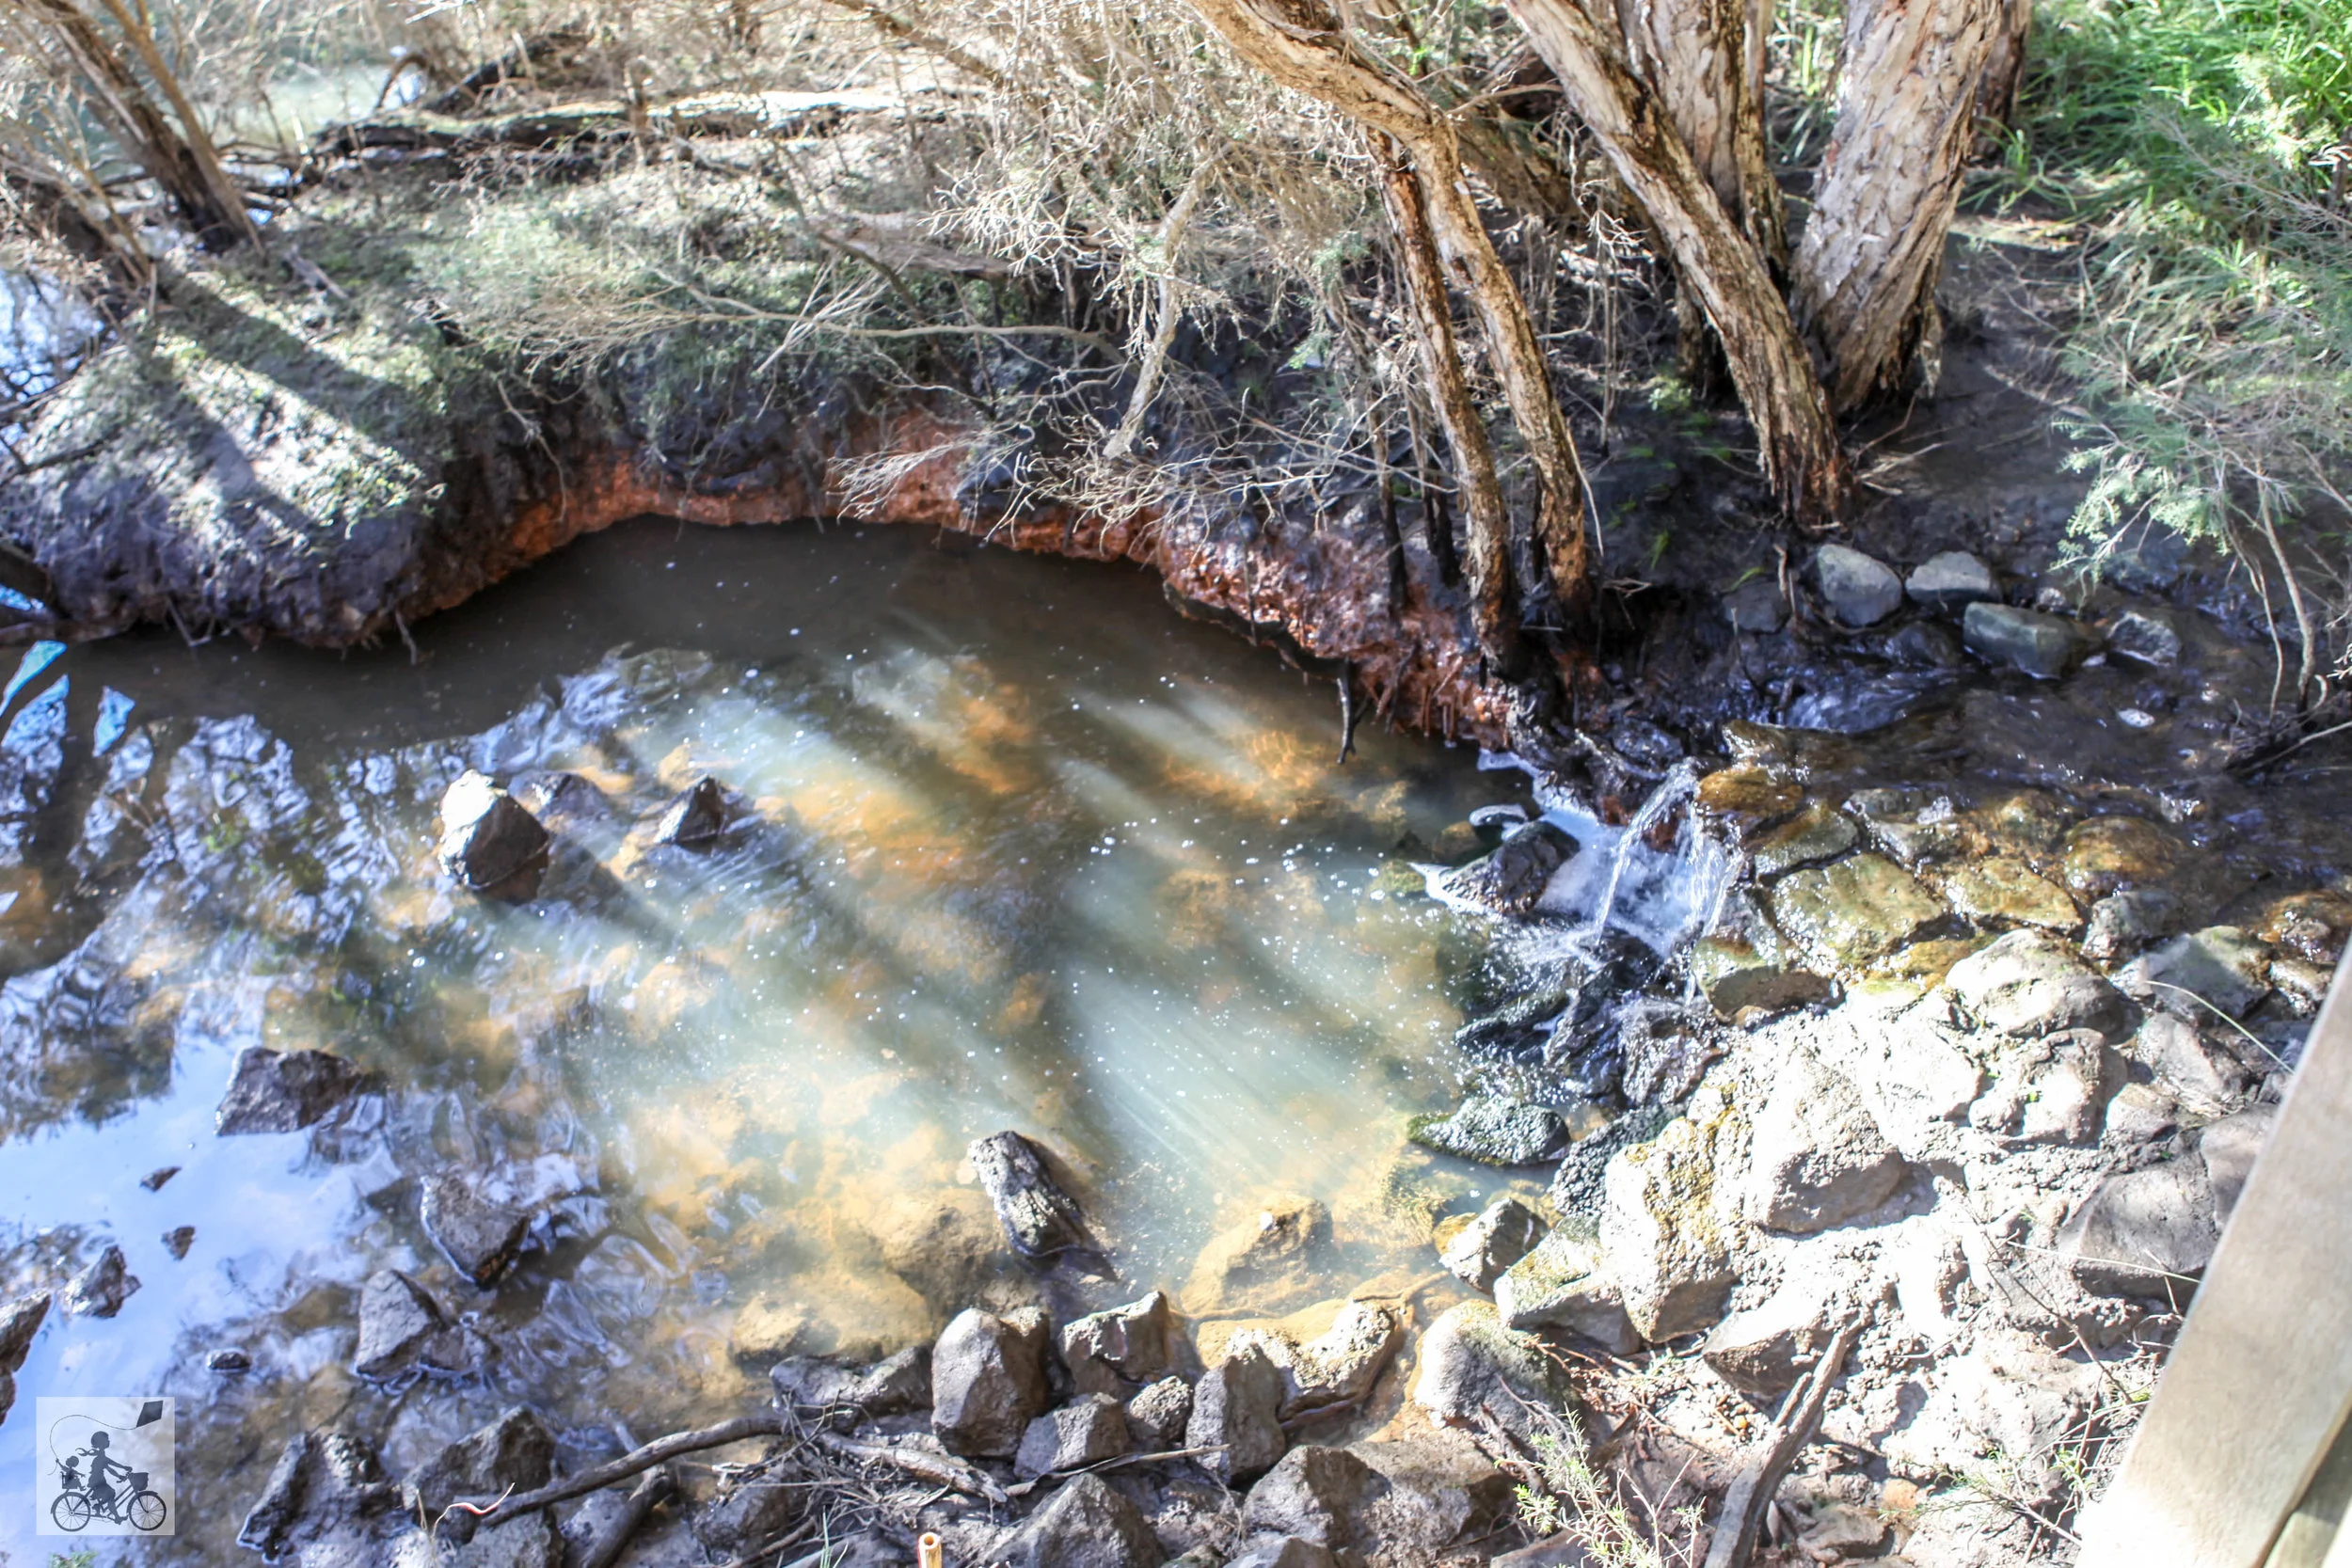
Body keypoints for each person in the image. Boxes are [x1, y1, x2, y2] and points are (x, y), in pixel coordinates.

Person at [79, 1431, 133, 1511]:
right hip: (97, 1480)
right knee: (111, 1493)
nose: (108, 1441)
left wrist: (120, 1473)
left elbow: (109, 1467)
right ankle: (98, 1506)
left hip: (100, 1480)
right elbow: (111, 1464)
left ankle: (115, 1515)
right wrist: (123, 1468)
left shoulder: (101, 1454)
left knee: (111, 1495)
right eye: (107, 1439)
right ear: (101, 1442)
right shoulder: (101, 1456)